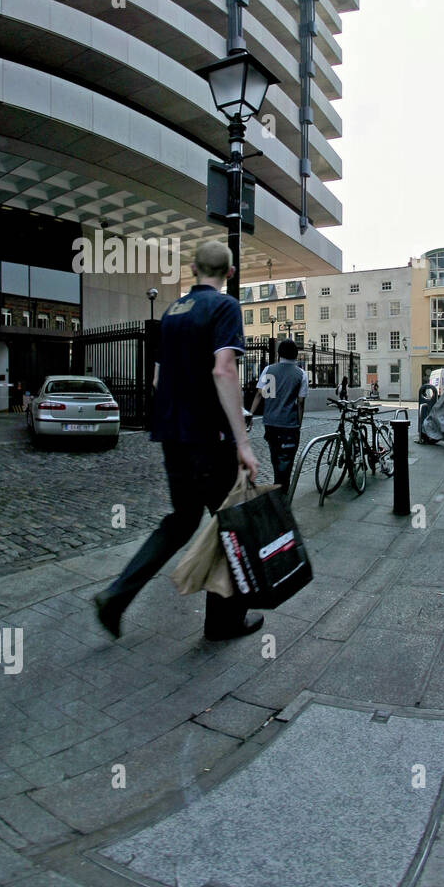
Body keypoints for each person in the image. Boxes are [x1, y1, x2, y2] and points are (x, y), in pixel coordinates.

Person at [93, 239, 262, 642]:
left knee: (182, 520)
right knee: (231, 523)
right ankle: (223, 623)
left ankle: (116, 596)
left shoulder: (171, 312)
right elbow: (224, 371)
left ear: (192, 270)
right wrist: (242, 441)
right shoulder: (224, 307)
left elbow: (156, 379)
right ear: (230, 274)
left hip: (173, 435)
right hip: (209, 437)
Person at [257, 337, 308, 493]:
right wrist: (299, 423)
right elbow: (300, 402)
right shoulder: (301, 373)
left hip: (271, 422)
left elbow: (261, 393)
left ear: (279, 353)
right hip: (289, 423)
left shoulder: (268, 370)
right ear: (296, 354)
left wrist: (251, 414)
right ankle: (282, 491)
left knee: (275, 457)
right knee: (287, 460)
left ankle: (277, 486)